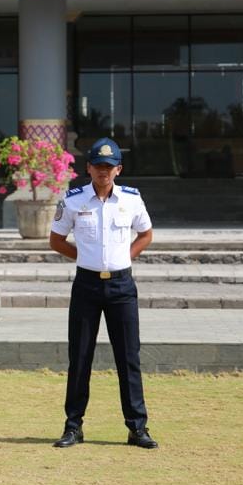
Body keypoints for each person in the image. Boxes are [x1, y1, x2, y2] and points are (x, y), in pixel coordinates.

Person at [48, 137, 158, 450]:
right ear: (88, 168)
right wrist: (83, 255)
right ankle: (73, 426)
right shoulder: (72, 200)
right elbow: (56, 240)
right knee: (80, 357)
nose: (103, 172)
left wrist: (126, 256)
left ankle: (137, 428)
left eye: (109, 167)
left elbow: (146, 234)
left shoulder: (132, 200)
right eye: (97, 166)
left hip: (122, 286)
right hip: (87, 285)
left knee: (129, 358)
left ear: (118, 169)